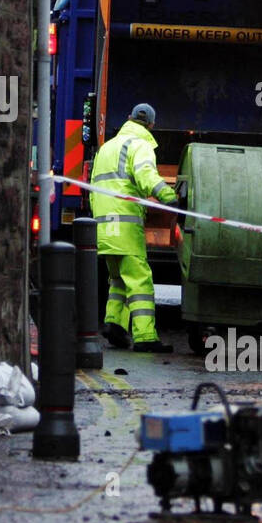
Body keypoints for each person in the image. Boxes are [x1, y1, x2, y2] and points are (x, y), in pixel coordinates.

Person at [90, 103, 177, 353]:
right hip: (125, 225)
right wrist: (168, 196)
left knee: (118, 279)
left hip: (105, 224)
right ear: (151, 125)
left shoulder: (107, 148)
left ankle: (114, 324)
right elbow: (145, 175)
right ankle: (145, 337)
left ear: (128, 118)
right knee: (140, 280)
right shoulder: (140, 145)